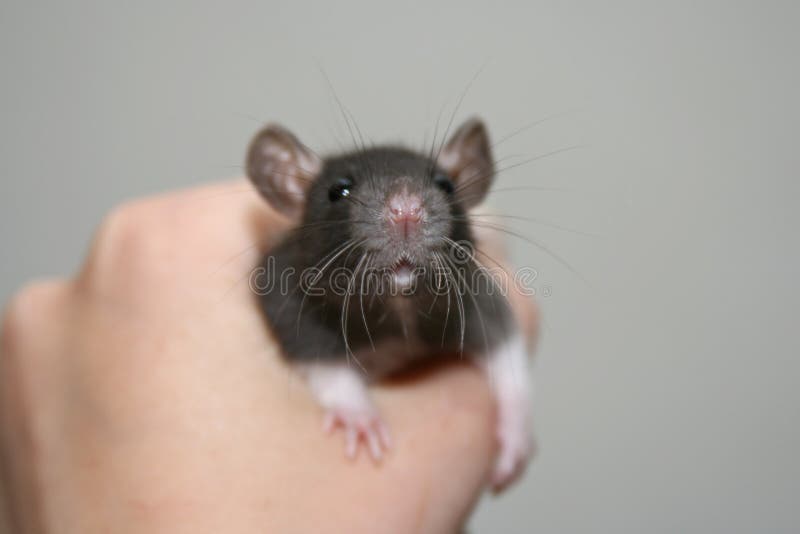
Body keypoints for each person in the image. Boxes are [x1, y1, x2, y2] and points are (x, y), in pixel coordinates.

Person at [0, 180, 537, 533]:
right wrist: (342, 394)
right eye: (346, 191)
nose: (404, 213)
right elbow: (297, 332)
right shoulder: (289, 285)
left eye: (439, 187)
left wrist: (512, 408)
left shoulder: (471, 295)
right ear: (287, 187)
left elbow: (501, 334)